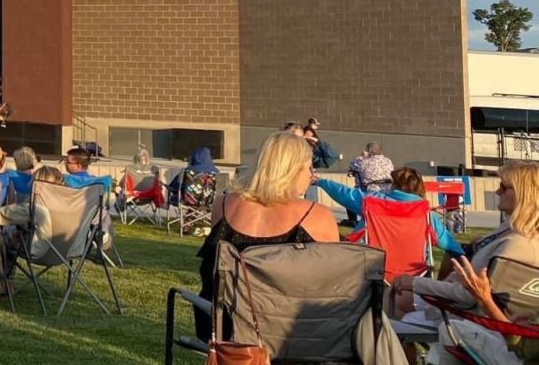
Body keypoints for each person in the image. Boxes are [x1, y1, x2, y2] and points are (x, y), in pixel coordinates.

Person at [194, 131, 340, 339]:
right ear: (292, 169)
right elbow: (332, 284)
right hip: (290, 333)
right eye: (309, 167)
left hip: (222, 327)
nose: (311, 174)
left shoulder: (223, 205)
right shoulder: (317, 216)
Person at [396, 160, 539, 318]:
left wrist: (416, 283)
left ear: (523, 194)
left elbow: (471, 296)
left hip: (467, 318)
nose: (497, 192)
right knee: (395, 299)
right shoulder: (511, 231)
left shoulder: (518, 244)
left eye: (504, 187)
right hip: (459, 304)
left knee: (393, 300)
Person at [316, 167, 464, 257]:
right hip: (414, 275)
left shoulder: (373, 202)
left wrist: (321, 181)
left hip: (373, 270)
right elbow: (451, 245)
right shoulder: (425, 214)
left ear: (394, 185)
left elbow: (345, 194)